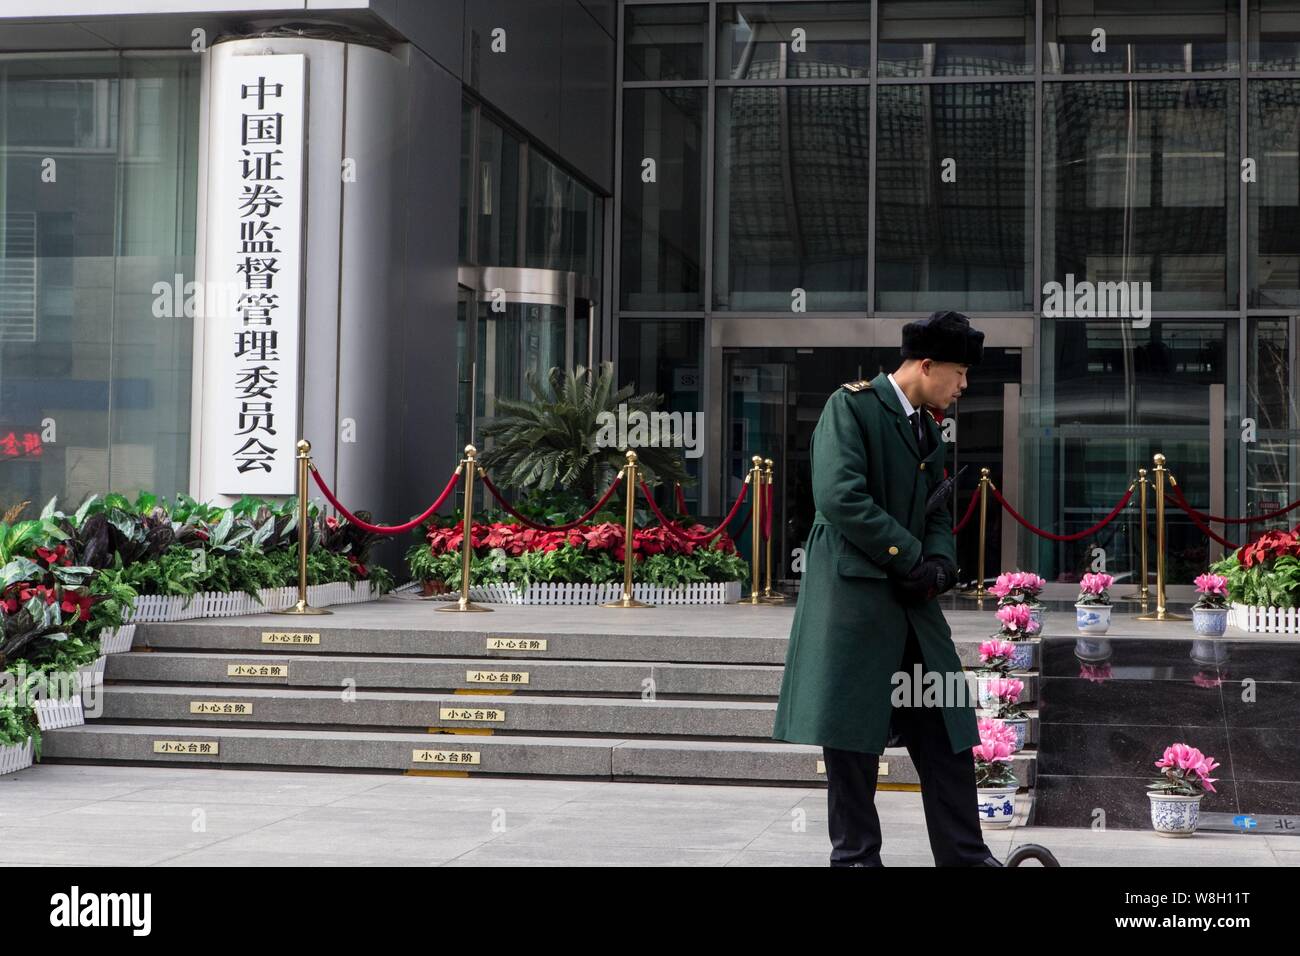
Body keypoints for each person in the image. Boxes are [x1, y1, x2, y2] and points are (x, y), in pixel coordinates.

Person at [771, 310, 1003, 867]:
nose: (964, 385)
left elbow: (938, 507)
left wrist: (942, 563)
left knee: (947, 729)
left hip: (913, 608)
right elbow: (840, 497)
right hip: (855, 604)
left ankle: (966, 859)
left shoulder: (928, 425)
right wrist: (912, 557)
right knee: (852, 746)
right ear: (925, 365)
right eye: (960, 373)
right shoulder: (849, 407)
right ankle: (855, 862)